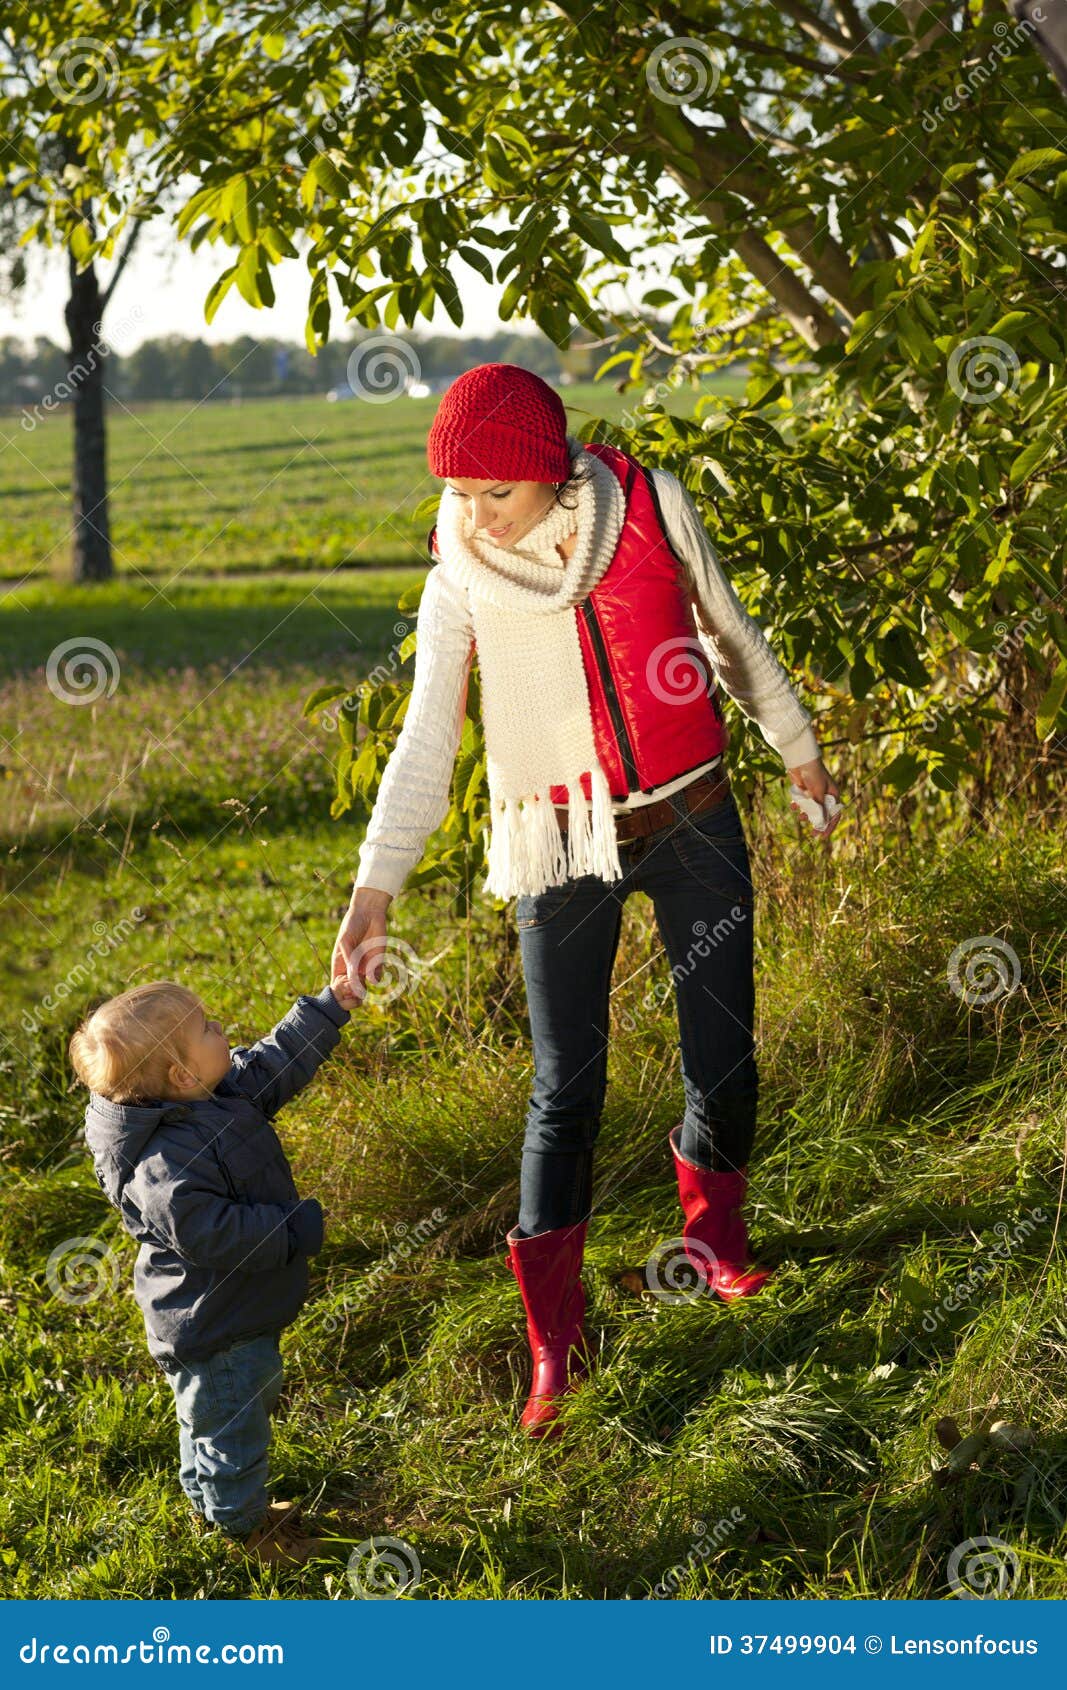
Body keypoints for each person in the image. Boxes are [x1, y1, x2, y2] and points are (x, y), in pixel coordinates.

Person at [332, 362, 842, 1438]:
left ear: (547, 468)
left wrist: (794, 747)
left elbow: (730, 635)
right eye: (457, 494)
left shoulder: (648, 504)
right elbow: (427, 739)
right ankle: (551, 1344)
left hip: (691, 815)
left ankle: (717, 1249)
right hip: (555, 838)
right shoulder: (461, 571)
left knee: (725, 1054)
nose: (472, 515)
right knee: (565, 1088)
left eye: (493, 495)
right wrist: (375, 886)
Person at [69, 974, 358, 1562]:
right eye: (207, 1027)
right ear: (180, 1076)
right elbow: (213, 1236)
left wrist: (328, 1009)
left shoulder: (212, 1094)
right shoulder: (162, 1165)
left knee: (210, 1417)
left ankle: (210, 1503)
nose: (221, 1027)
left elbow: (275, 1064)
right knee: (234, 1423)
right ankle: (244, 1529)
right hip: (214, 1325)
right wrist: (290, 1231)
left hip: (227, 1315)